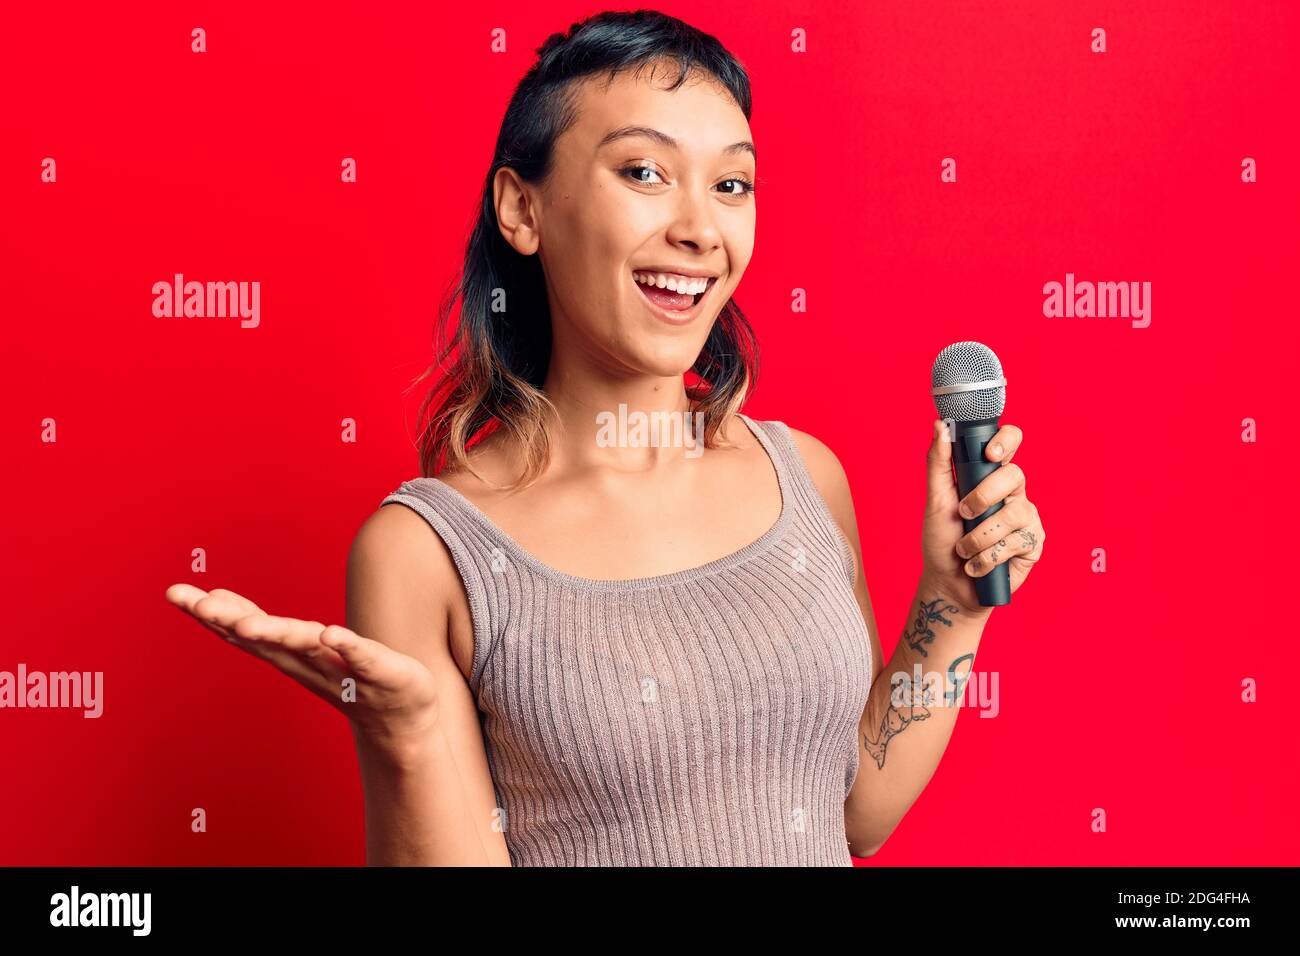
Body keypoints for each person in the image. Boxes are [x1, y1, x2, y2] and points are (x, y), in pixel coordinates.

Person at [166, 9, 1046, 866]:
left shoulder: (805, 477)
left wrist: (953, 608)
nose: (701, 230)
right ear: (522, 209)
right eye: (643, 172)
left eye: (731, 184)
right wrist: (411, 737)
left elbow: (856, 814)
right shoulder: (424, 552)